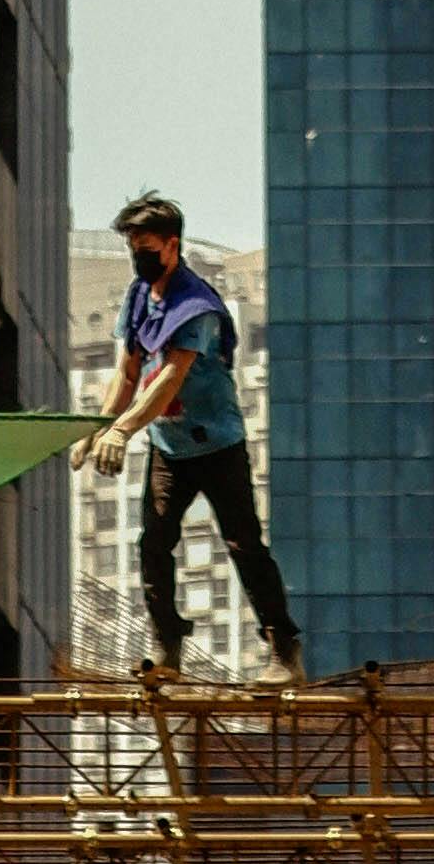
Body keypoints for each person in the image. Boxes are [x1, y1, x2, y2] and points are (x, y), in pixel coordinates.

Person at [81, 190, 304, 676]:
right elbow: (128, 372)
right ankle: (168, 646)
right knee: (154, 543)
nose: (137, 256)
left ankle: (283, 650)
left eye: (145, 246)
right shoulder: (140, 298)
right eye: (132, 246)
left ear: (171, 245)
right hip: (169, 448)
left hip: (218, 446)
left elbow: (167, 381)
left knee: (244, 544)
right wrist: (94, 429)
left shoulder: (197, 306)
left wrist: (121, 431)